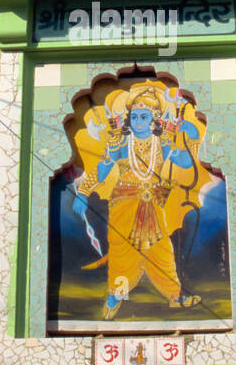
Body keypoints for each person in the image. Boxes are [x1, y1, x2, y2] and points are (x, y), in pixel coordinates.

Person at [72, 83, 206, 320]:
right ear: (128, 118)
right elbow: (103, 169)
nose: (139, 120)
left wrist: (191, 134)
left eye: (145, 116)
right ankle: (115, 295)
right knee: (123, 251)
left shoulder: (162, 143)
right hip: (125, 203)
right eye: (135, 116)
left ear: (154, 119)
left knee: (162, 249)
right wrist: (83, 191)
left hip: (153, 203)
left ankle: (175, 295)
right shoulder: (121, 143)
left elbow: (186, 163)